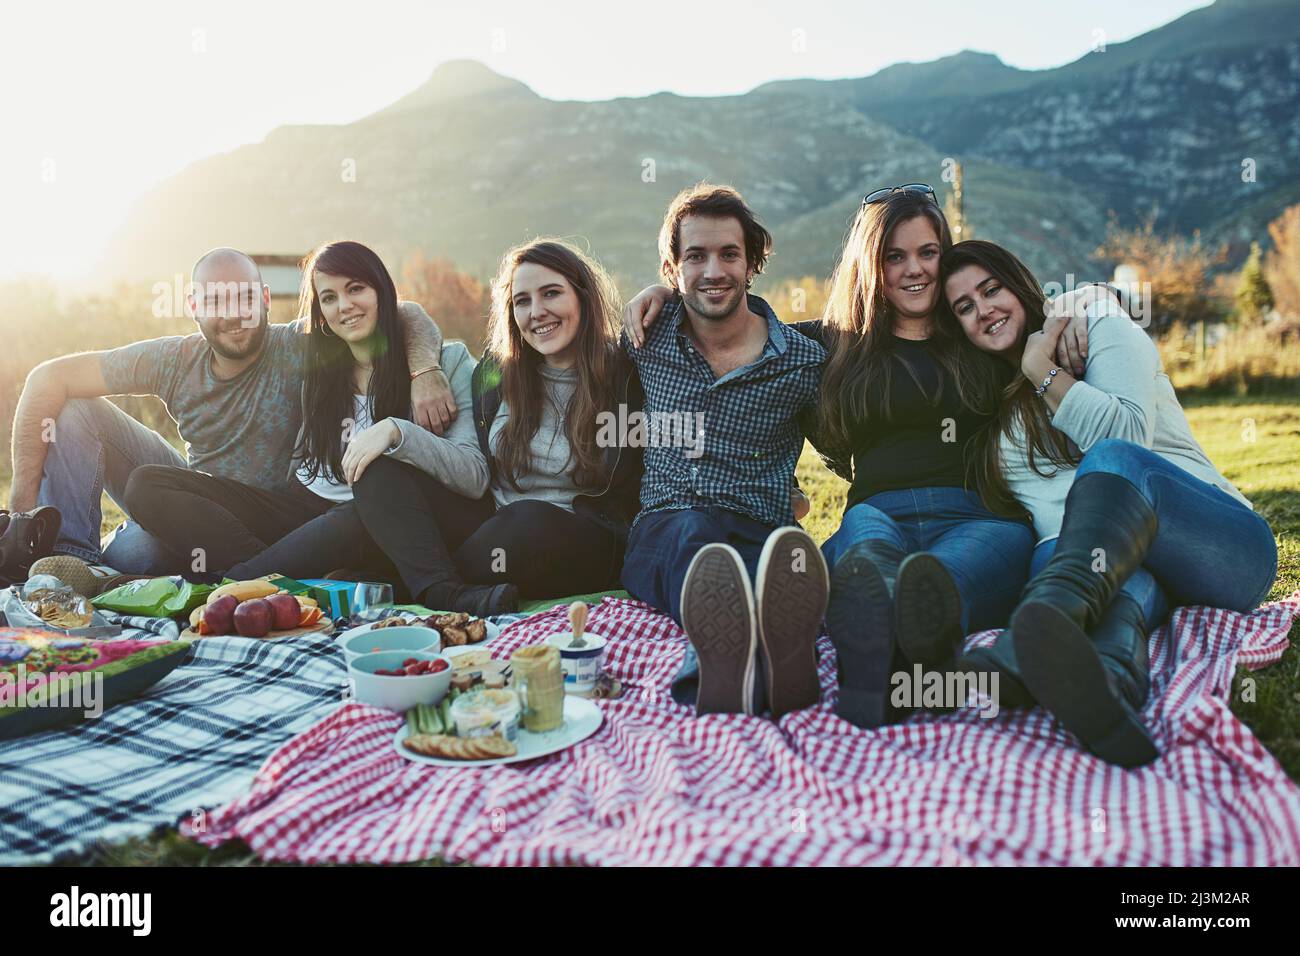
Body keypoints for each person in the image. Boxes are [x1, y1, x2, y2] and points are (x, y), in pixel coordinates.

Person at [624, 186, 1101, 729]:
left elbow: (1039, 307)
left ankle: (882, 671)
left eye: (927, 252)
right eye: (894, 256)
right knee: (867, 569)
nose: (913, 269)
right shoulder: (837, 345)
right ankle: (891, 661)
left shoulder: (978, 333)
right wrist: (664, 290)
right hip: (877, 514)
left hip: (979, 518)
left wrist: (1089, 301)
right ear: (872, 266)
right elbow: (741, 328)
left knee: (936, 586)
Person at [938, 239, 1278, 766]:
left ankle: (1036, 628)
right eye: (964, 307)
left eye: (990, 289)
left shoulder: (1099, 328)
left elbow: (1125, 437)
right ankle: (1111, 685)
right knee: (1092, 562)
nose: (983, 310)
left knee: (1114, 460)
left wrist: (1043, 370)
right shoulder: (996, 417)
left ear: (1017, 283)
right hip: (1127, 569)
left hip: (1220, 547)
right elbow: (1055, 524)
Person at [7, 246, 454, 590]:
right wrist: (23, 512)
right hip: (200, 504)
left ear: (263, 298)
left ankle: (264, 576)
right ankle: (66, 568)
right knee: (75, 409)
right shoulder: (172, 359)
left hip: (284, 519)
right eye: (217, 302)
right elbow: (48, 378)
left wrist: (426, 371)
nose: (234, 314)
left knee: (138, 557)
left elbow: (403, 313)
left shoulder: (300, 344)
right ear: (195, 306)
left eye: (244, 298)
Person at [120, 241, 497, 603]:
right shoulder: (317, 359)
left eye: (356, 289)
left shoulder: (445, 362)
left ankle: (237, 586)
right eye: (329, 298)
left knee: (367, 490)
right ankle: (283, 577)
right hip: (299, 507)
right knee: (145, 483)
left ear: (382, 289)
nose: (344, 306)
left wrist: (400, 426)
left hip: (372, 517)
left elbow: (474, 477)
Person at [618, 183, 831, 720]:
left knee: (782, 569)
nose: (714, 270)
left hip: (761, 527)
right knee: (700, 539)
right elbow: (545, 339)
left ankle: (787, 667)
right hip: (666, 529)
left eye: (729, 254)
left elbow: (849, 442)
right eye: (696, 256)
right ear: (673, 269)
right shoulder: (645, 337)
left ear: (753, 262)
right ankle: (709, 668)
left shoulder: (802, 362)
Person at [342, 238, 645, 613]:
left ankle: (410, 580)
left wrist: (659, 292)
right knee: (379, 469)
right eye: (522, 301)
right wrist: (395, 431)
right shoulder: (497, 373)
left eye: (551, 293)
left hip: (577, 540)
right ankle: (442, 590)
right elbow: (404, 315)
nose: (537, 312)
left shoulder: (628, 374)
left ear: (583, 296)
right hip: (495, 527)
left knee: (526, 523)